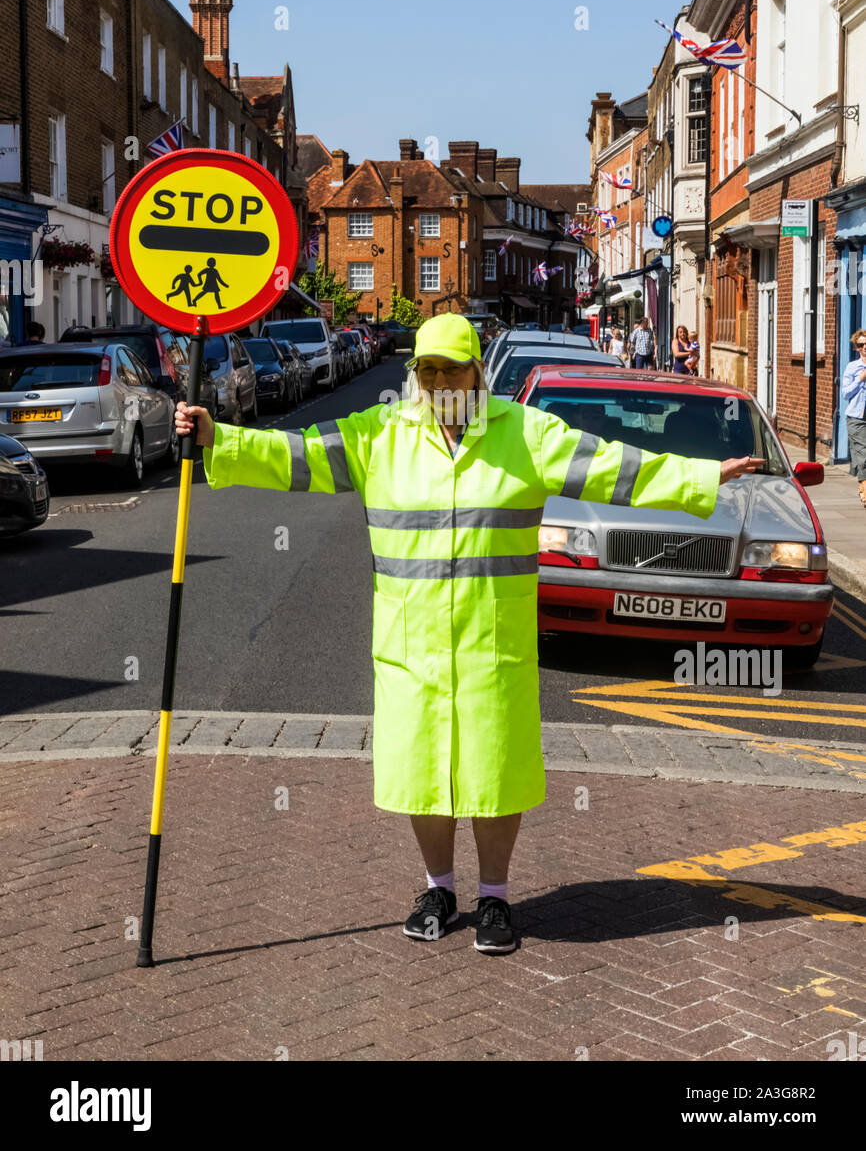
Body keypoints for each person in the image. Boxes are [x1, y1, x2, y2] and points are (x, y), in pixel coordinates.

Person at [174, 313, 762, 956]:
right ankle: (437, 887)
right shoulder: (383, 433)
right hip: (411, 642)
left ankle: (496, 896)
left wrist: (702, 477)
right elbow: (301, 454)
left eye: (450, 367)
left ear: (477, 371)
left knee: (494, 771)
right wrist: (219, 438)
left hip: (492, 639)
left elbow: (617, 470)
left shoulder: (526, 435)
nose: (436, 380)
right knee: (420, 770)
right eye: (425, 369)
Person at [842, 328, 866, 509]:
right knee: (863, 455)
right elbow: (845, 394)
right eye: (860, 345)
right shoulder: (852, 367)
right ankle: (864, 487)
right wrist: (860, 379)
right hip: (857, 417)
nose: (864, 348)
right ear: (856, 347)